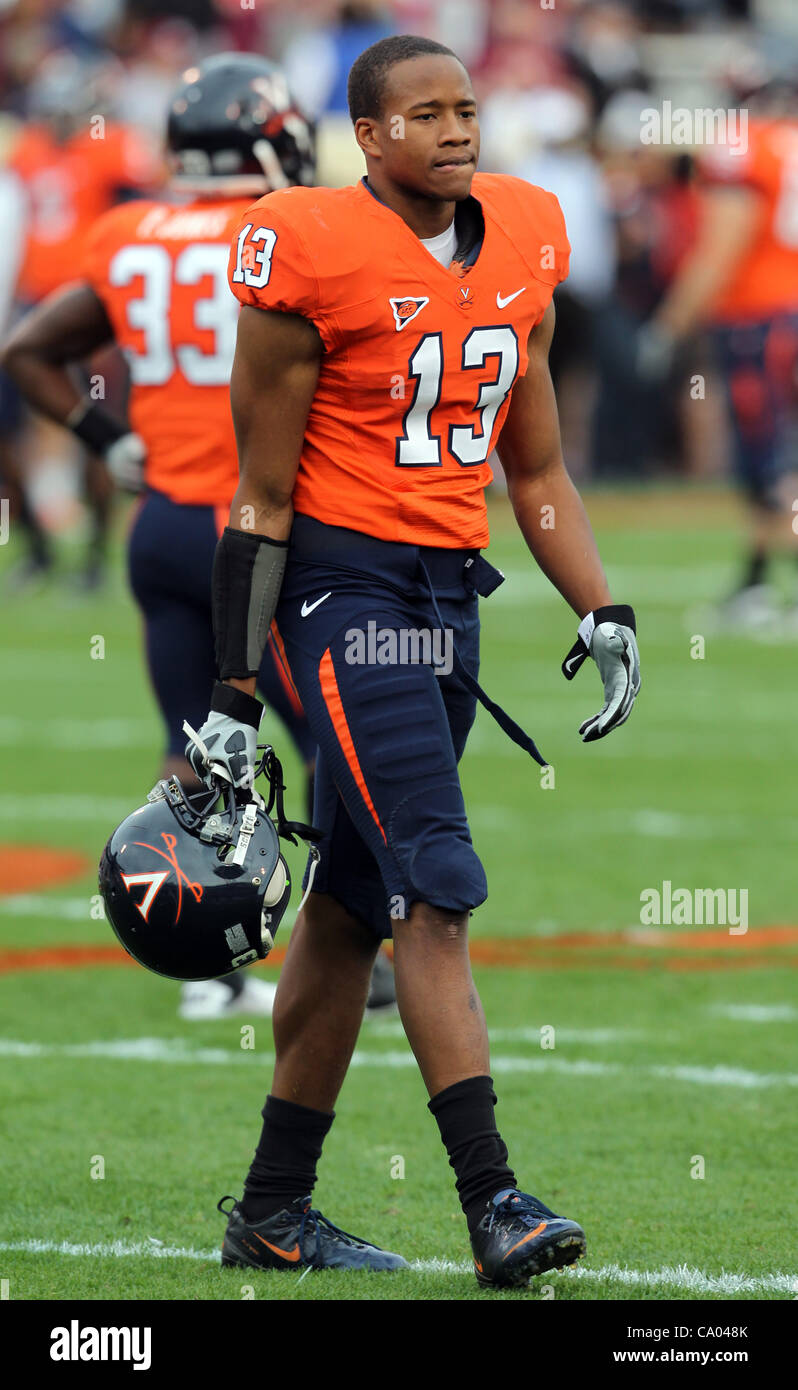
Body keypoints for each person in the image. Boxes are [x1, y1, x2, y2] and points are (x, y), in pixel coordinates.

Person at [188, 34, 641, 1286]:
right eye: (424, 113)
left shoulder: (530, 233)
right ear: (369, 137)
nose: (455, 129)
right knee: (431, 887)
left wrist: (604, 608)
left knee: (344, 903)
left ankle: (272, 1211)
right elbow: (260, 499)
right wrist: (234, 692)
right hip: (342, 596)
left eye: (468, 107)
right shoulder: (310, 243)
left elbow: (536, 466)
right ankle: (496, 1202)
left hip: (450, 599)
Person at [1, 54, 373, 1021]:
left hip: (157, 522)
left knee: (192, 747)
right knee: (330, 737)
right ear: (268, 137)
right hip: (244, 529)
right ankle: (350, 949)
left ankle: (204, 963)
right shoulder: (287, 230)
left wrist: (104, 436)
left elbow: (28, 352)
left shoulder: (129, 230)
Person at [637, 83, 798, 630]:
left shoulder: (743, 143)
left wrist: (669, 323)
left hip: (761, 319)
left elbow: (723, 244)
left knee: (771, 461)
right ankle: (754, 582)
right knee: (771, 461)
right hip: (787, 312)